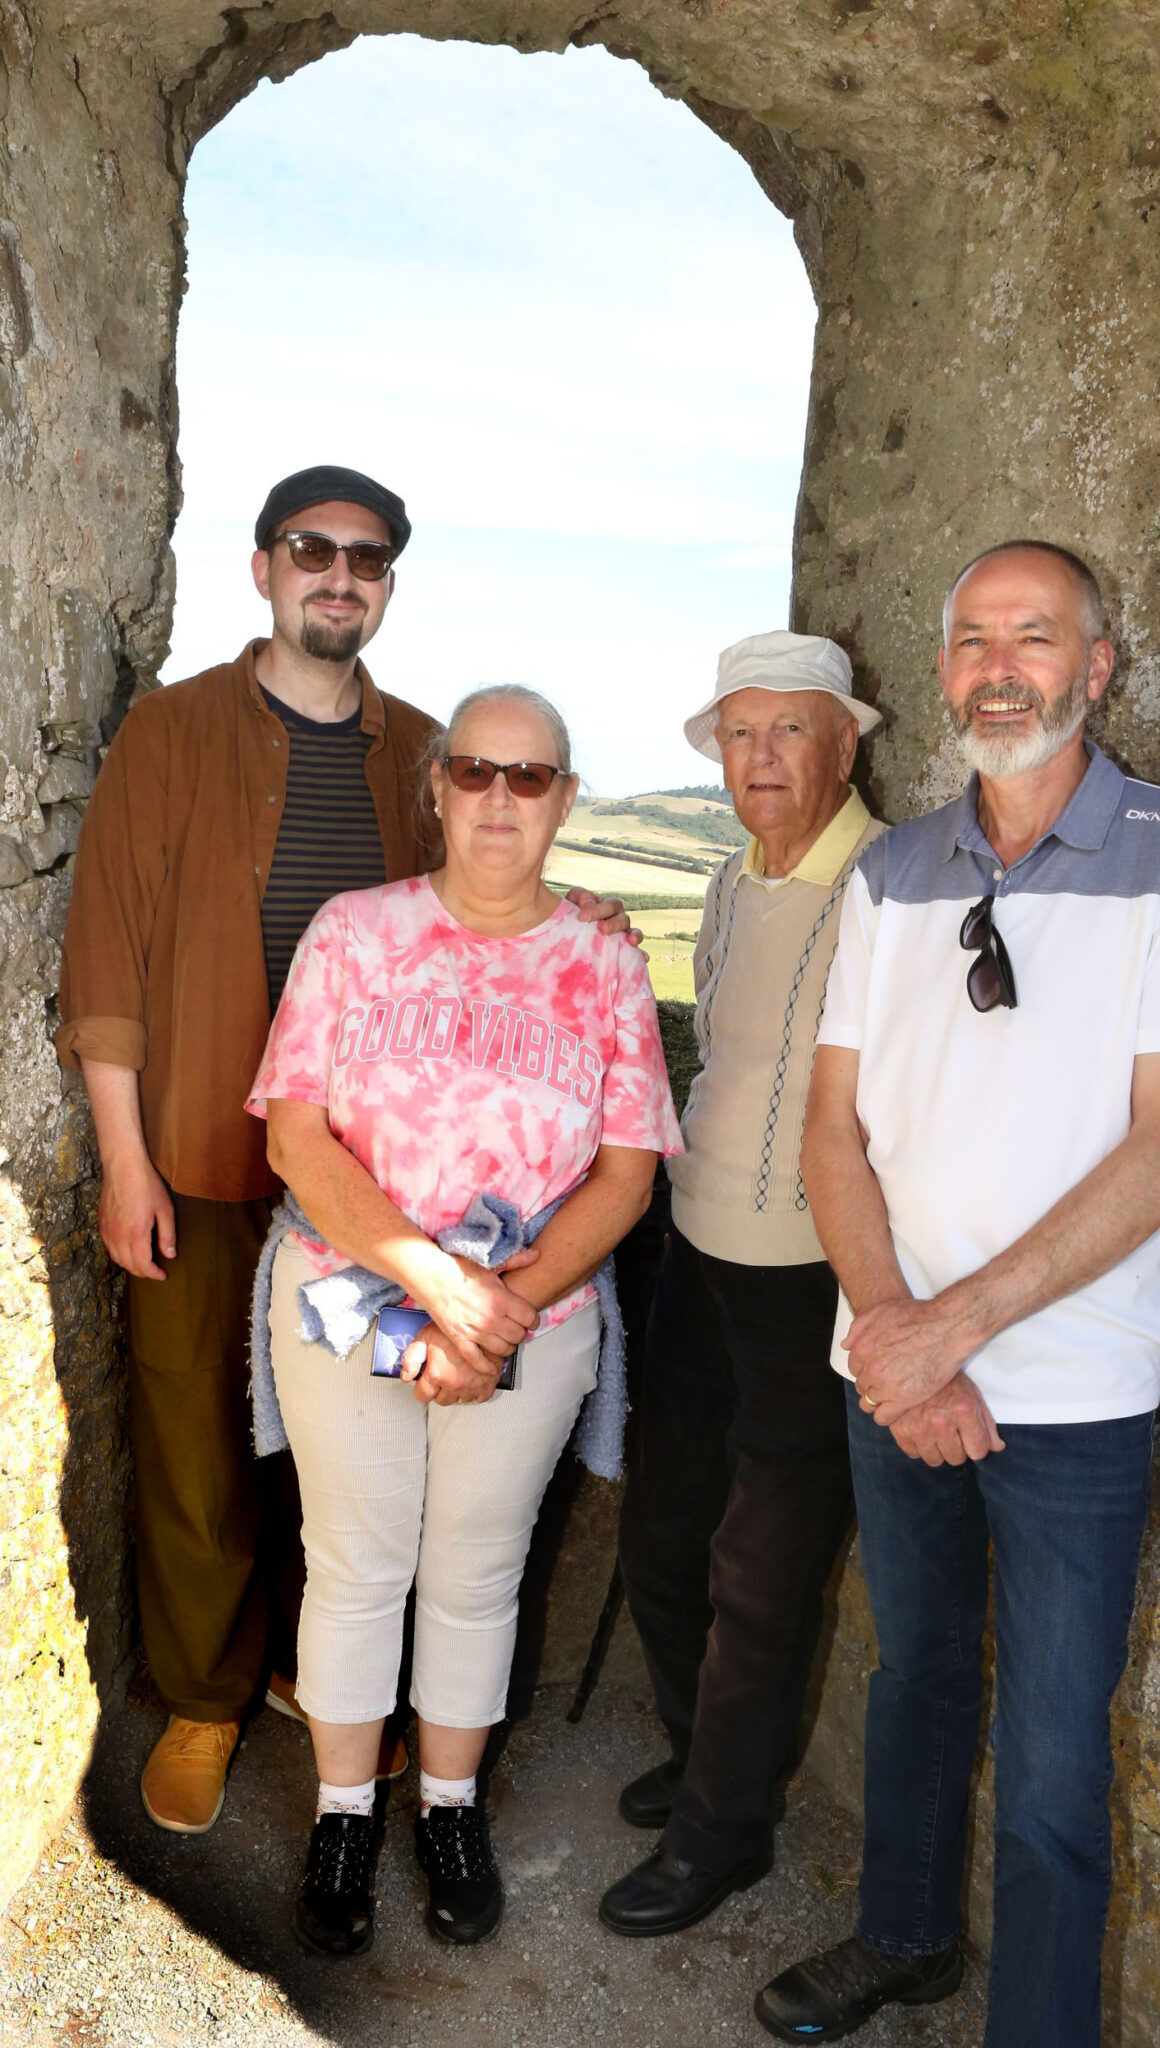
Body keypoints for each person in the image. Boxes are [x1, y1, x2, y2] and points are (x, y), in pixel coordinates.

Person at [55, 466, 630, 1837]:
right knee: (197, 1437)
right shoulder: (172, 733)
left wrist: (584, 908)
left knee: (353, 1478)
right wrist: (124, 1157)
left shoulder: (426, 746)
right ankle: (205, 1701)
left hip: (388, 1185)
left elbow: (500, 887)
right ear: (264, 568)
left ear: (387, 586)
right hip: (203, 1148)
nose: (339, 574)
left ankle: (335, 1696)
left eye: (367, 558)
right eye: (312, 549)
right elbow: (108, 959)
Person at [755, 542, 1160, 2046]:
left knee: (1050, 1767)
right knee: (913, 1676)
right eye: (973, 636)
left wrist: (940, 1335)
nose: (1000, 666)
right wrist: (896, 1345)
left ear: (1093, 667)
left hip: (1070, 1401)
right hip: (896, 1374)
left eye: (1032, 637)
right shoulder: (890, 872)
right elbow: (829, 1133)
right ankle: (904, 1939)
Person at [247, 683, 683, 1957]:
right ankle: (342, 1811)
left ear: (563, 801)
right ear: (435, 785)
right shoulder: (354, 932)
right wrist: (439, 1290)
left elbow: (625, 1172)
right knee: (356, 1561)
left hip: (529, 1321)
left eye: (531, 777)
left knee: (477, 1569)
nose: (501, 798)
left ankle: (445, 1807)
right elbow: (294, 1132)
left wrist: (495, 1312)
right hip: (350, 1302)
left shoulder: (606, 957)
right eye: (478, 771)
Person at [600, 631, 883, 1938]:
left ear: (845, 741)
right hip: (695, 1250)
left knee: (762, 1571)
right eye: (739, 735)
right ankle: (703, 1751)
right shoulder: (723, 879)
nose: (759, 760)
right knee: (660, 1534)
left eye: (789, 731)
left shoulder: (893, 891)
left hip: (808, 1283)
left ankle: (724, 1833)